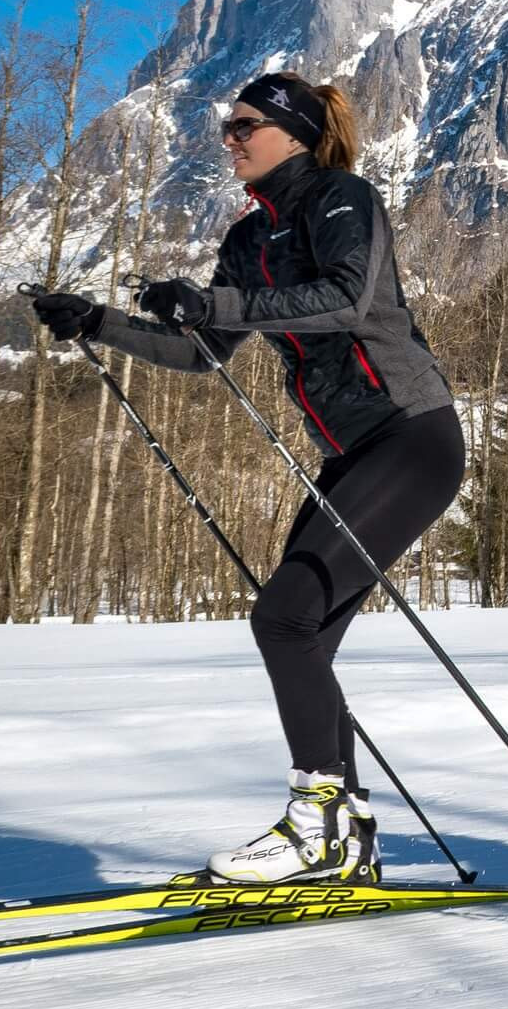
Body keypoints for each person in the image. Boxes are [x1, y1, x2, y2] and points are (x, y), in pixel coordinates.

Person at [30, 72, 461, 885]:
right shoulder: (246, 239)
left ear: (293, 133)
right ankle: (347, 836)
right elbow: (201, 352)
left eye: (245, 124)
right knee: (305, 637)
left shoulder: (340, 198)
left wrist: (215, 305)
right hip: (352, 458)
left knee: (284, 619)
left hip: (413, 438)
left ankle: (318, 824)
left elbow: (343, 297)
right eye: (225, 126)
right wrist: (99, 322)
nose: (229, 136)